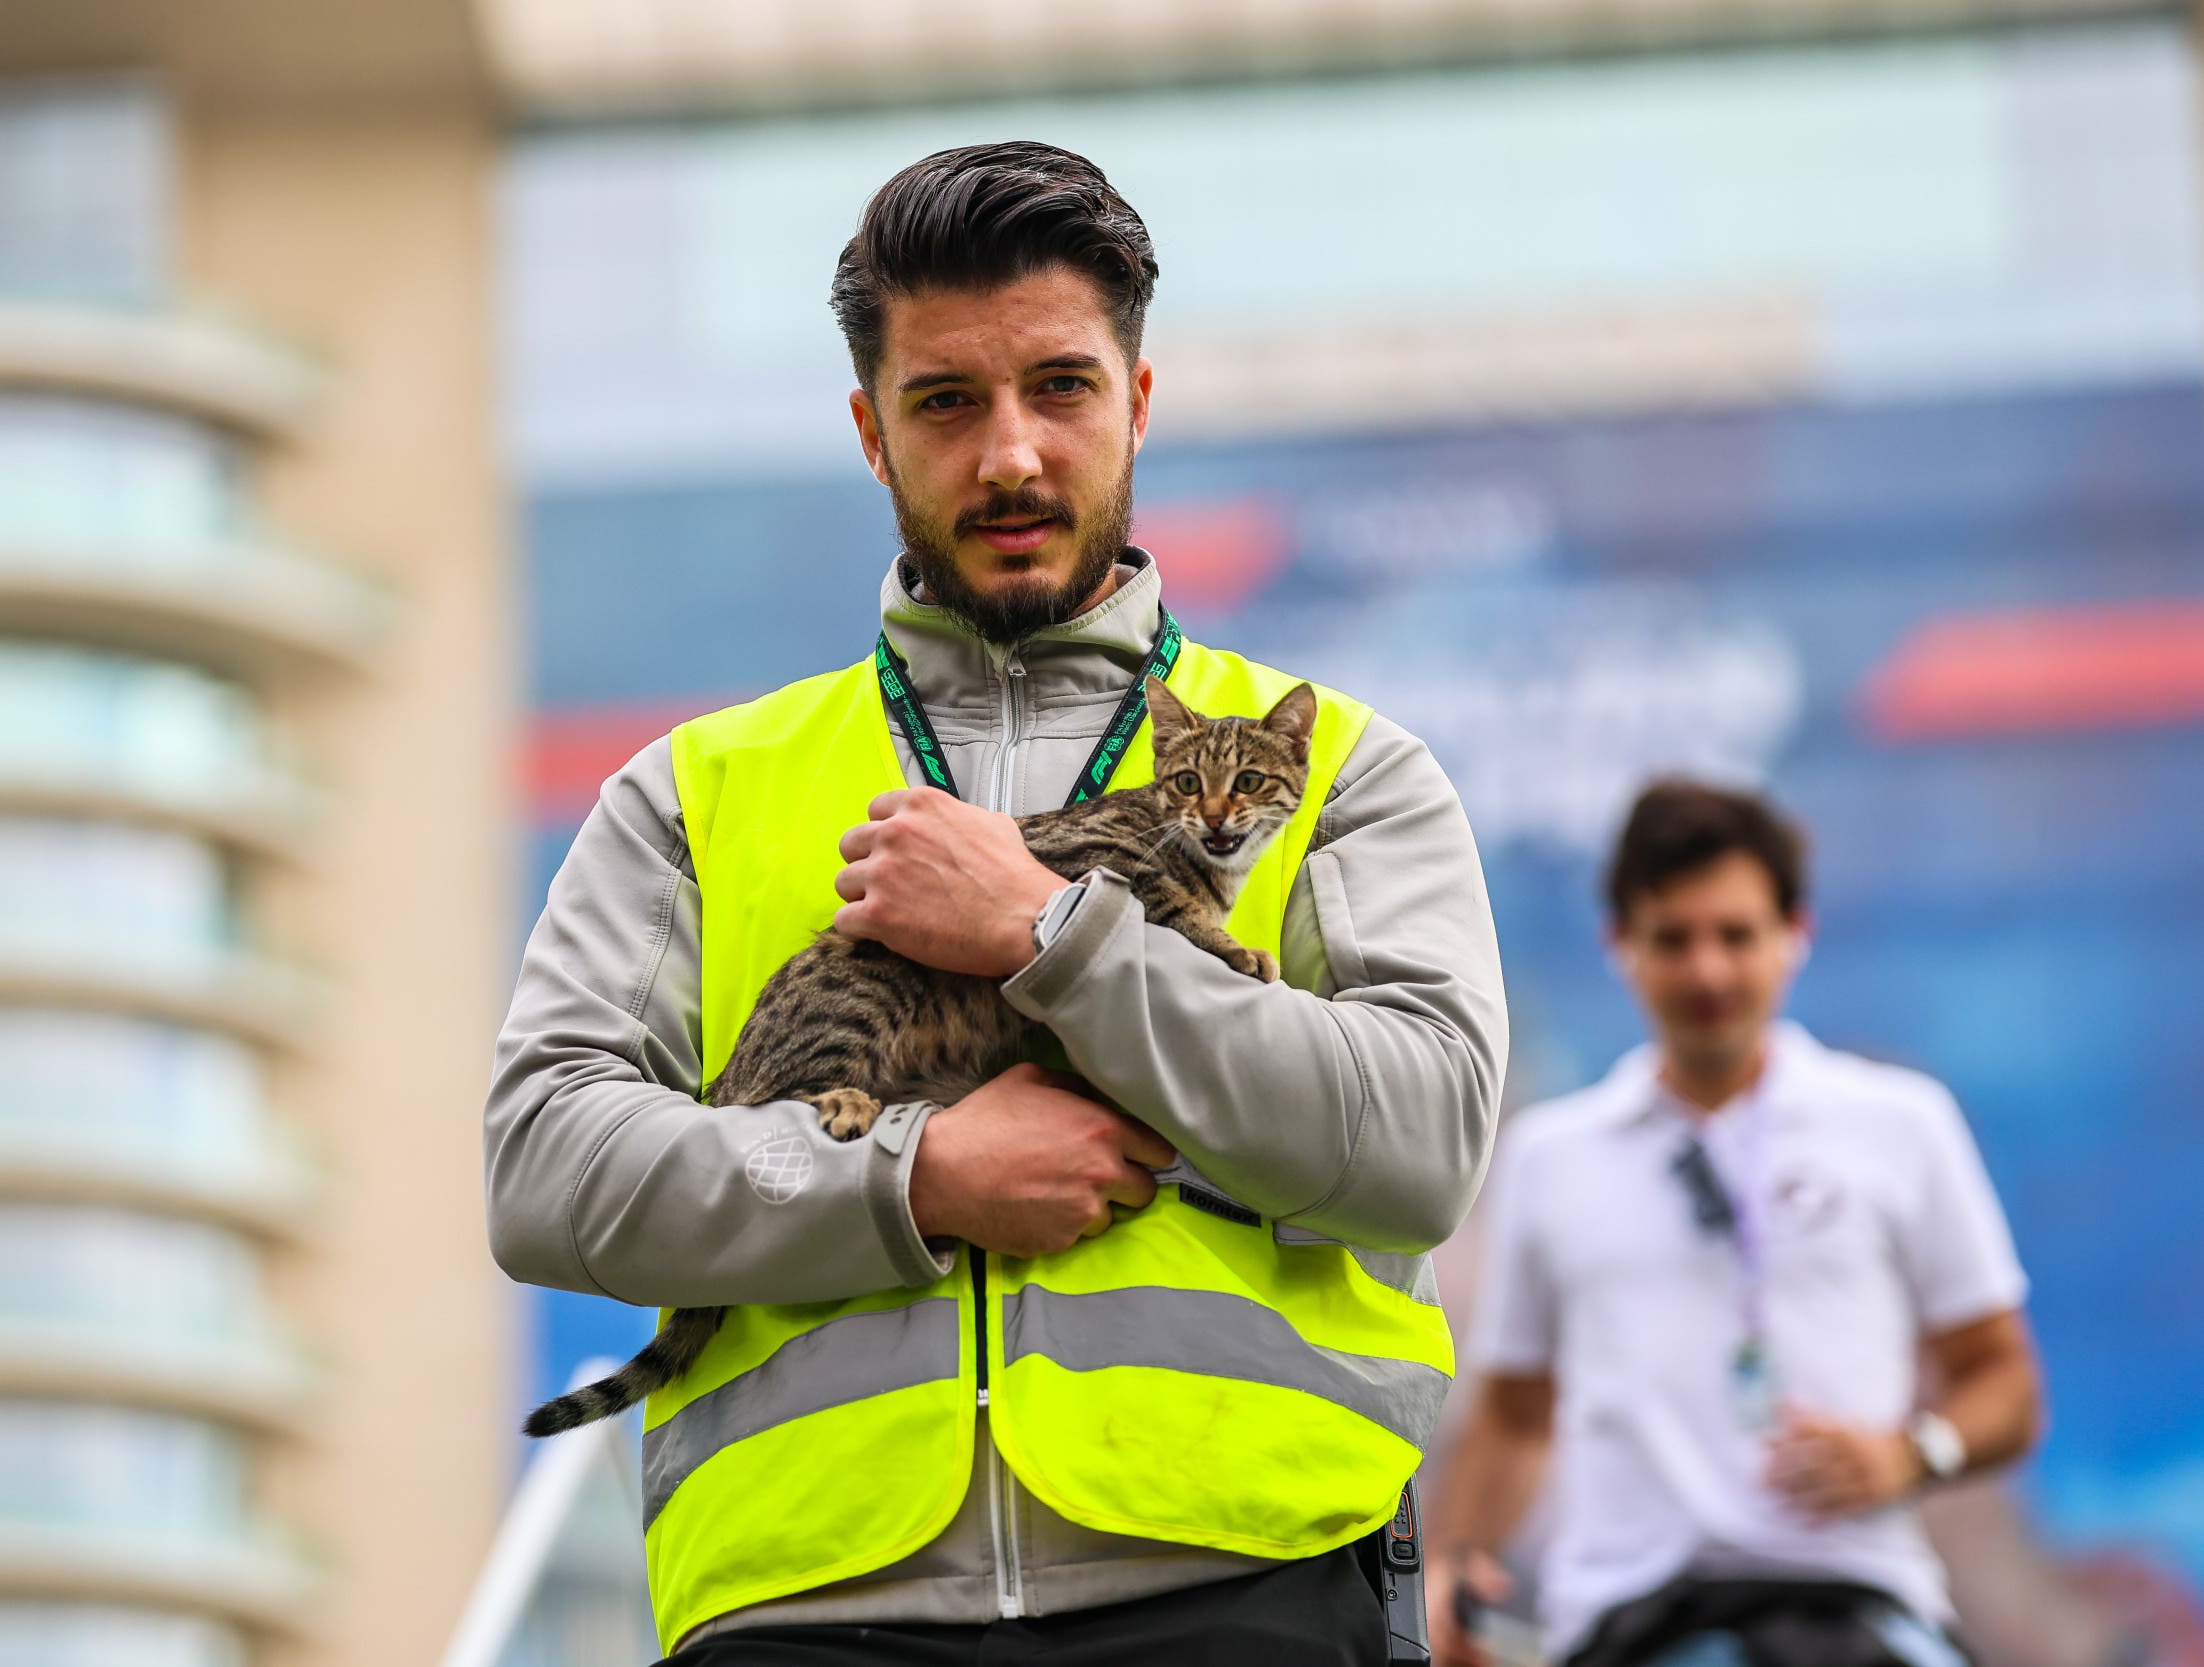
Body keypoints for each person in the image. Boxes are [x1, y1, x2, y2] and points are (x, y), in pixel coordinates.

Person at [484, 141, 1508, 1664]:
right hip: (811, 1608)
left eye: (1061, 388)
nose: (1011, 455)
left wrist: (1053, 934)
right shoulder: (692, 790)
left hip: (1251, 1583)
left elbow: (1420, 1148)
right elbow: (544, 1171)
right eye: (946, 401)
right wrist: (910, 1178)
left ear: (1137, 401)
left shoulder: (1349, 765)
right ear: (871, 431)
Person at [1428, 779, 2044, 1667]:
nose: (1707, 971)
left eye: (1736, 935)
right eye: (1673, 938)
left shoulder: (1902, 1124)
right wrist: (1450, 1568)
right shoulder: (1549, 1157)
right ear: (1619, 944)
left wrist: (1913, 1453)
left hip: (1855, 1605)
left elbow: (2005, 1383)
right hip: (1628, 1620)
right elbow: (1516, 1417)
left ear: (1796, 933)